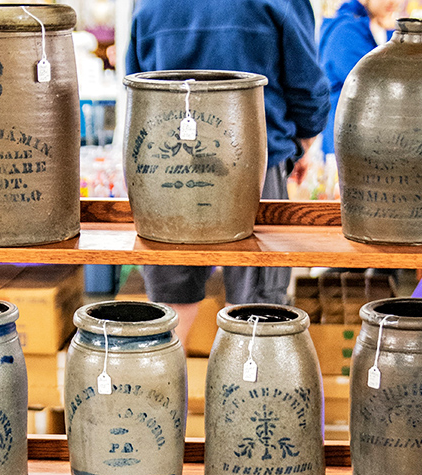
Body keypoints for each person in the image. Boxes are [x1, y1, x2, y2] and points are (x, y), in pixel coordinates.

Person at [125, 0, 330, 349]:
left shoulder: (149, 5)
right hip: (256, 170)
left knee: (171, 307)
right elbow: (307, 88)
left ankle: (156, 398)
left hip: (168, 170)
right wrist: (302, 142)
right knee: (257, 311)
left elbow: (138, 88)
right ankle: (245, 402)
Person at [319, 0, 402, 157]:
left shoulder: (367, 25)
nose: (394, 2)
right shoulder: (346, 31)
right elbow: (380, 85)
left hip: (359, 140)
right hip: (347, 146)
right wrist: (395, 35)